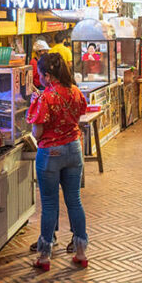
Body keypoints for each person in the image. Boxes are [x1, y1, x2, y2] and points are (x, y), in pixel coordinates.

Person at [27, 52, 89, 271]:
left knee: (50, 204)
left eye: (41, 74)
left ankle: (44, 257)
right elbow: (78, 116)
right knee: (74, 201)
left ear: (46, 75)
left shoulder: (46, 98)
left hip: (51, 153)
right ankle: (80, 252)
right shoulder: (75, 92)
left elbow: (38, 131)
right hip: (74, 149)